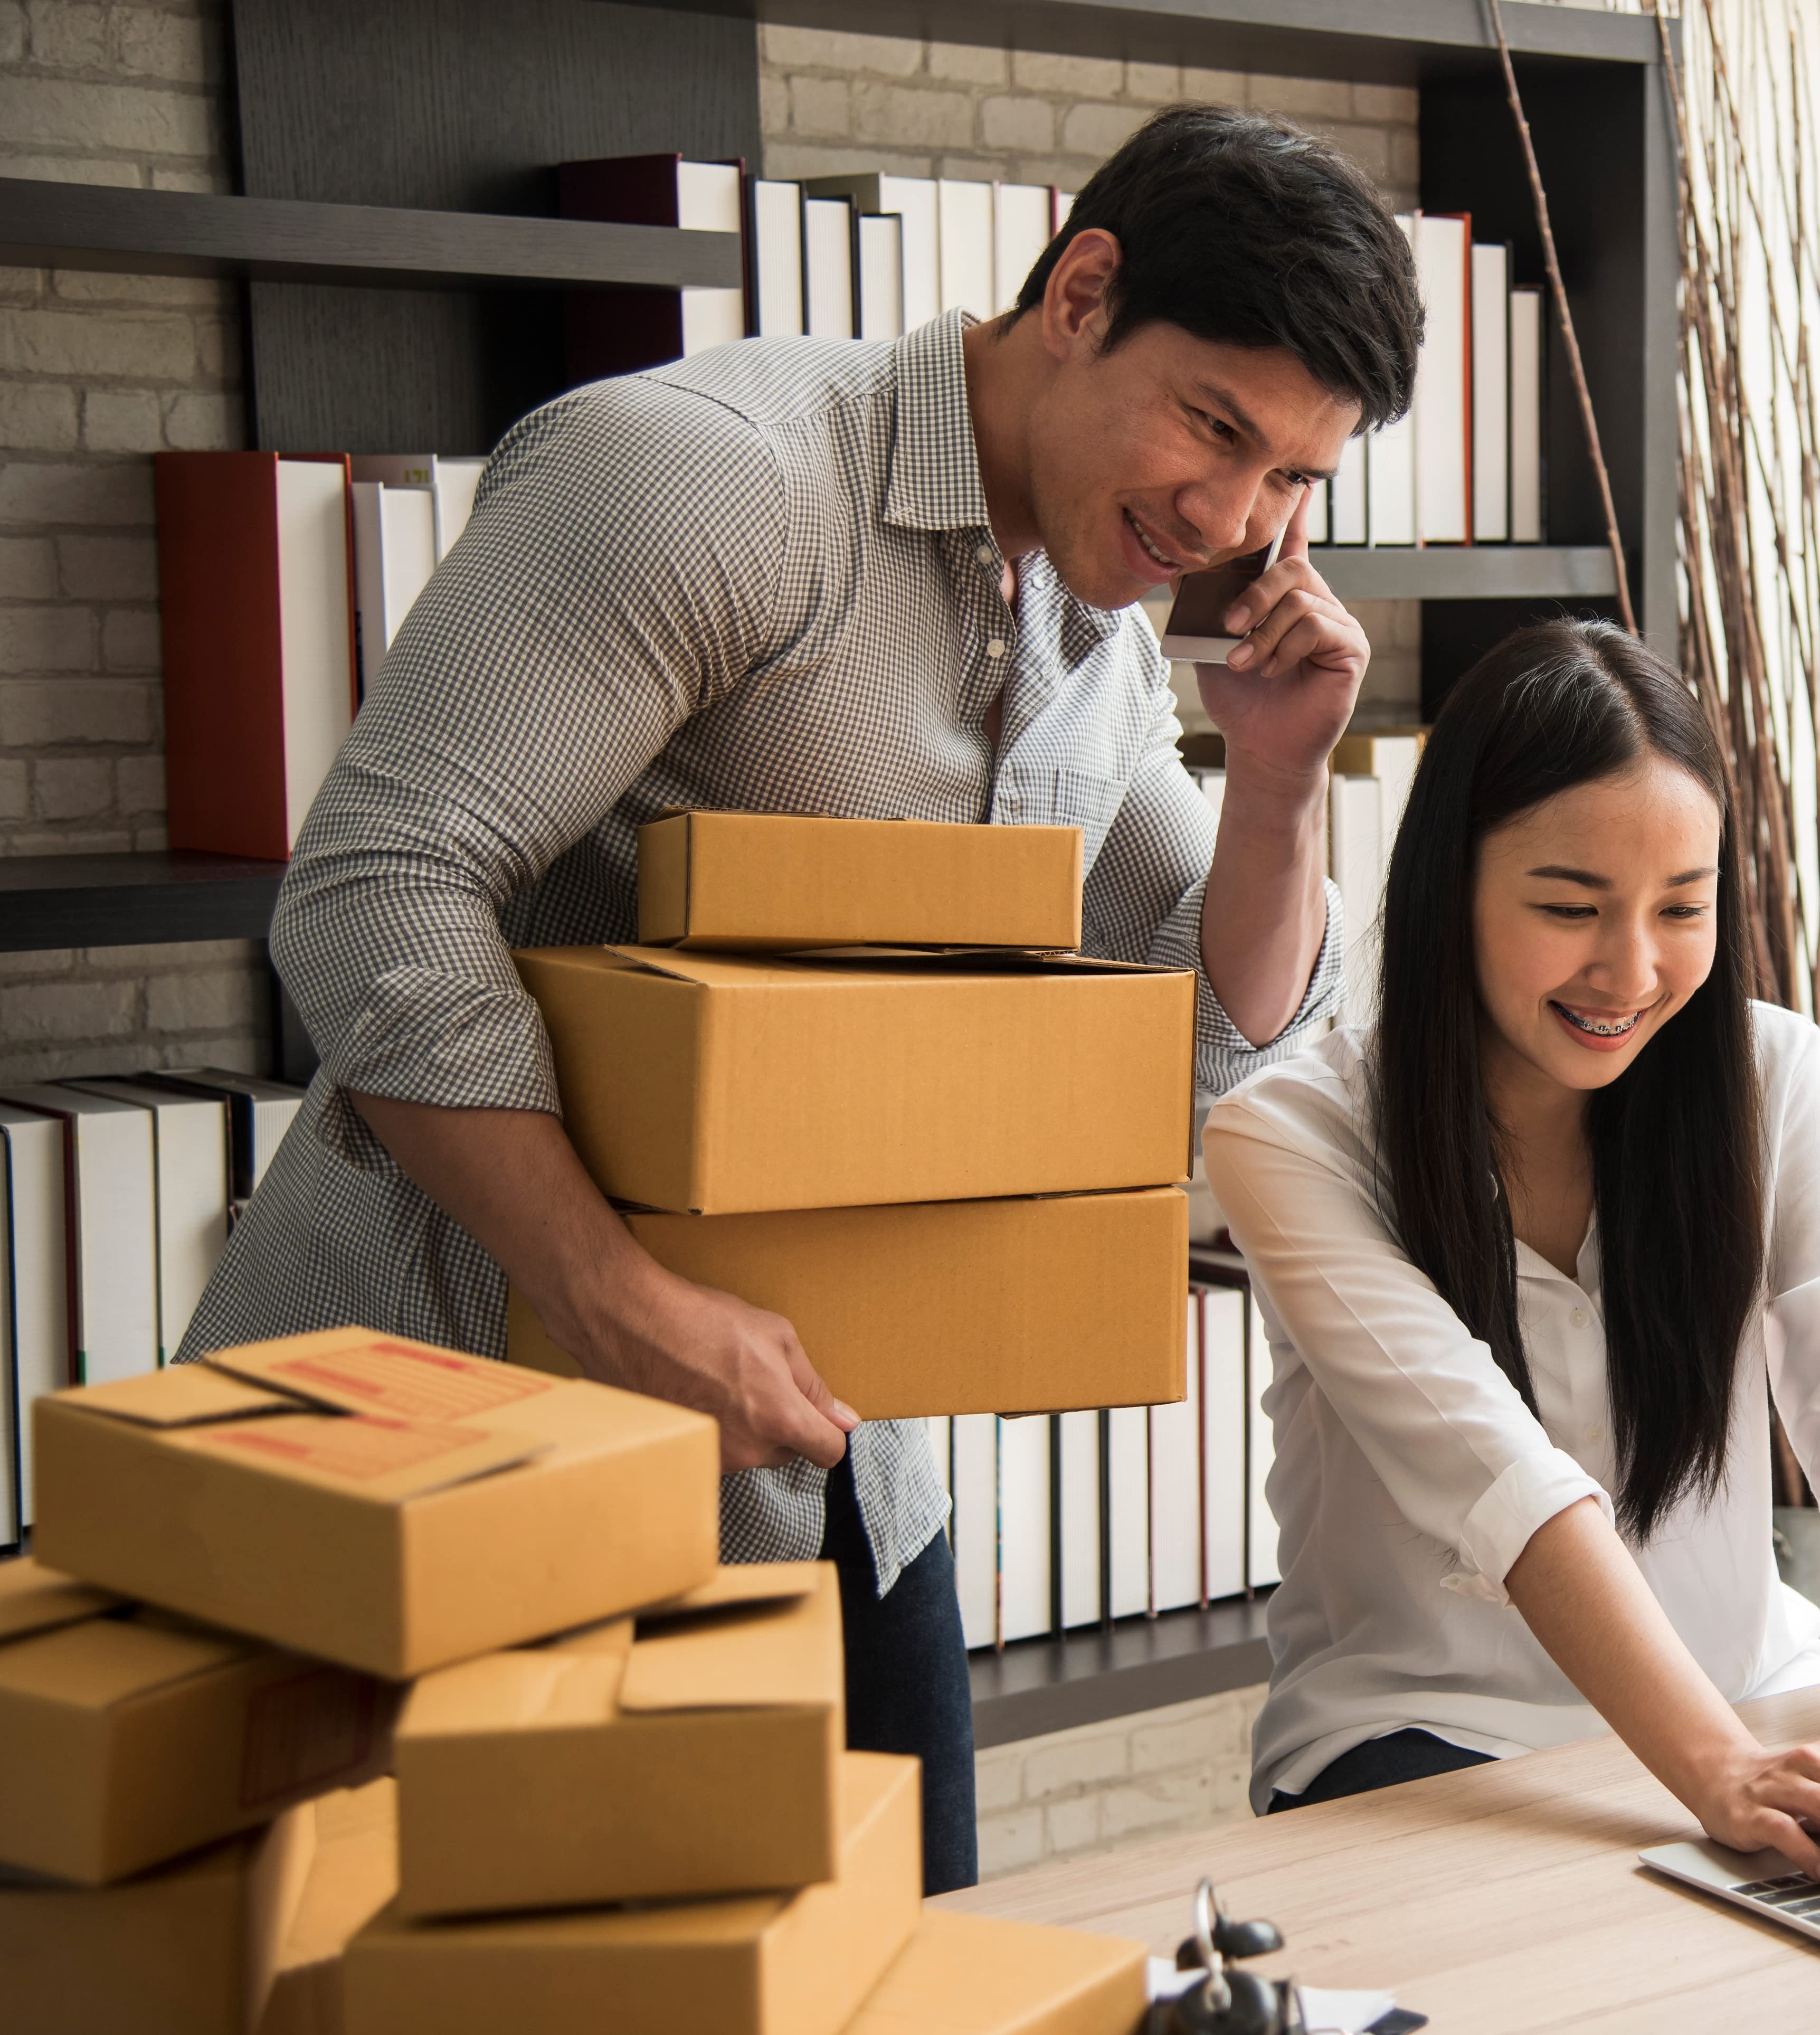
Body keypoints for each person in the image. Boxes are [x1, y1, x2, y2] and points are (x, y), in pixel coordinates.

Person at [175, 106, 1425, 1893]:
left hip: (833, 1473)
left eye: (1293, 479)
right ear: (1081, 292)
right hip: (462, 1429)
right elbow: (375, 886)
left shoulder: (1098, 620)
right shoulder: (715, 479)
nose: (1233, 520)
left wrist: (1285, 786)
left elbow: (1206, 1035)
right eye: (1213, 426)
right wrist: (617, 1294)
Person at [1201, 619, 1820, 1886]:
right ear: (1448, 888)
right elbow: (1502, 1481)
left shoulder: (1768, 1078)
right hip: (1432, 1743)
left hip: (1756, 1701)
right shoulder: (1289, 1137)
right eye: (1569, 906)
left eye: (1680, 908)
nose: (1630, 969)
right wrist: (1717, 1771)